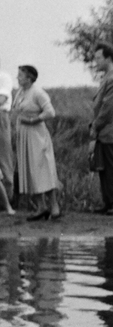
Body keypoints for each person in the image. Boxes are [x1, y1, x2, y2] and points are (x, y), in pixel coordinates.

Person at [13, 65, 62, 221]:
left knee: (43, 168)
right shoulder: (21, 92)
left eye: (21, 76)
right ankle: (41, 206)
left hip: (37, 135)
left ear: (29, 78)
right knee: (30, 170)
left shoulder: (38, 93)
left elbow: (50, 112)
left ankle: (54, 206)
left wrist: (34, 120)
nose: (18, 78)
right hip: (24, 136)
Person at [89, 41, 113, 214]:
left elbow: (107, 108)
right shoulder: (108, 77)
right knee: (104, 167)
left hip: (111, 130)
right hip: (105, 131)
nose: (96, 61)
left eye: (98, 58)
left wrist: (96, 126)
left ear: (109, 58)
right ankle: (109, 202)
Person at [0, 56, 13, 209]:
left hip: (1, 116)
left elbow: (2, 99)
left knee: (4, 157)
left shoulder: (4, 77)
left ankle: (8, 200)